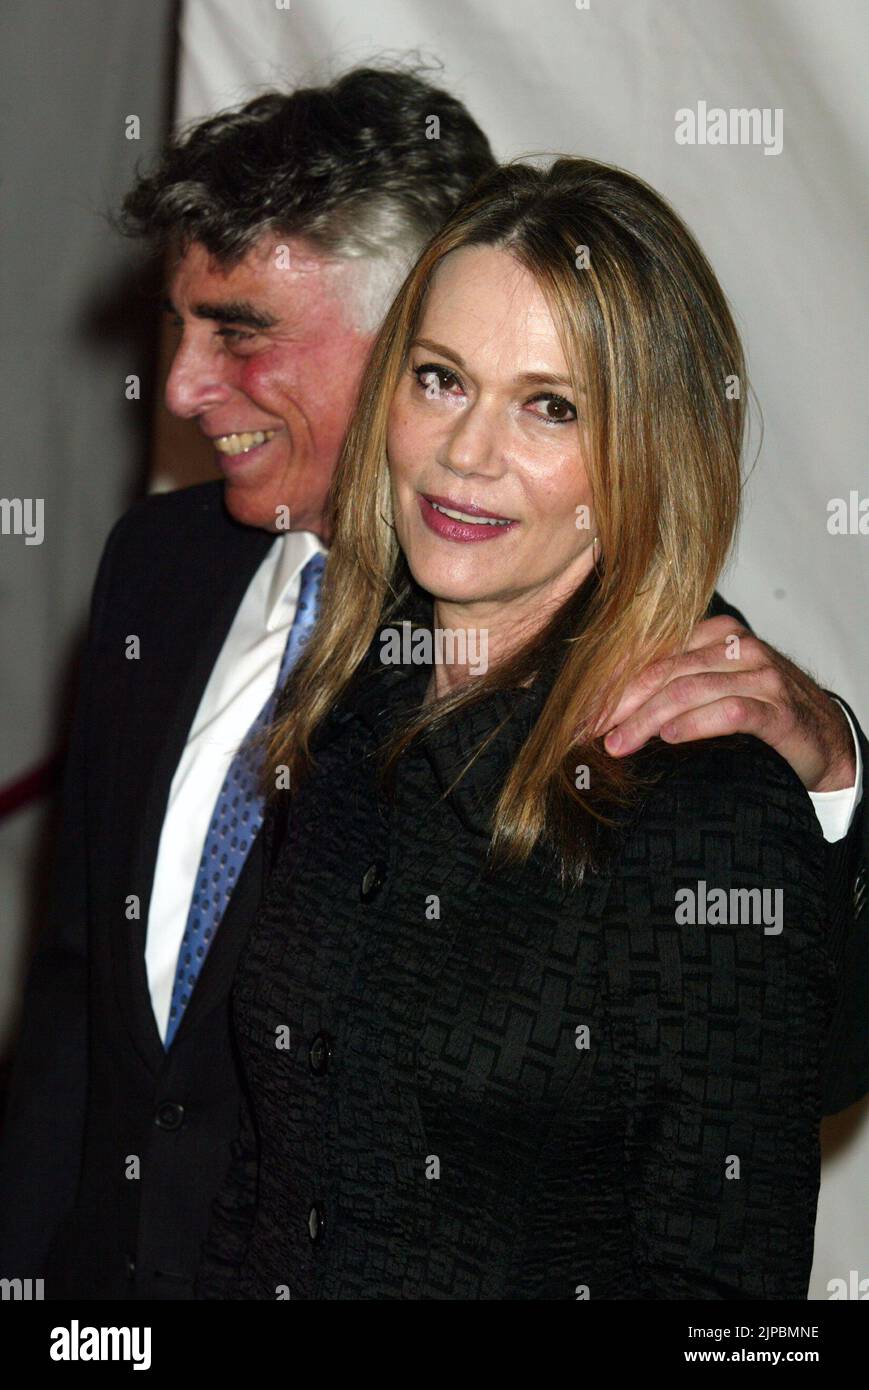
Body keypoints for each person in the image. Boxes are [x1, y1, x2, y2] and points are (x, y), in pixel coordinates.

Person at [0, 68, 863, 1301]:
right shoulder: (199, 597)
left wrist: (830, 784)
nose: (182, 386)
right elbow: (84, 1025)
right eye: (444, 379)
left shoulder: (668, 712)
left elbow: (760, 1126)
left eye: (241, 329)